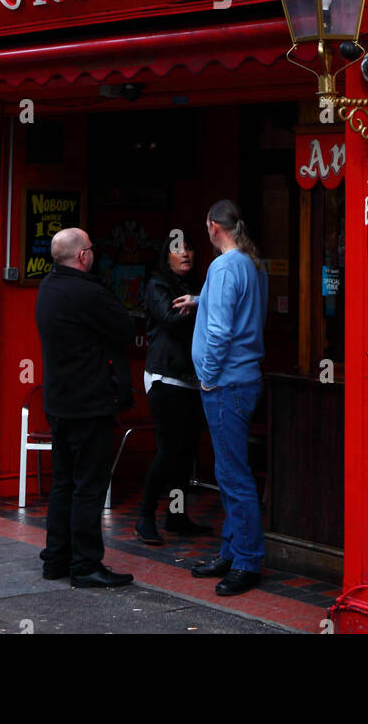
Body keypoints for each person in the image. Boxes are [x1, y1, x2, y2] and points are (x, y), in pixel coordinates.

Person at [35, 226, 135, 589]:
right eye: (91, 248)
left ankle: (55, 558)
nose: (93, 254)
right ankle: (86, 565)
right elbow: (124, 329)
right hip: (89, 404)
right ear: (82, 256)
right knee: (89, 487)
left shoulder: (47, 287)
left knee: (63, 484)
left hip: (58, 403)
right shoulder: (88, 292)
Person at [183, 199, 268, 597]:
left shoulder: (222, 267)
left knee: (233, 476)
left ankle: (246, 560)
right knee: (231, 472)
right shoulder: (252, 264)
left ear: (213, 226)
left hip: (226, 383)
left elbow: (219, 331)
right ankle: (231, 552)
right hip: (246, 378)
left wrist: (208, 379)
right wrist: (199, 301)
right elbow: (240, 311)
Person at [134, 230, 212, 546]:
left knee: (185, 452)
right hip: (165, 378)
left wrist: (198, 302)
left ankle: (176, 515)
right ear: (166, 255)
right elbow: (167, 316)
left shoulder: (194, 289)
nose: (185, 254)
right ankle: (145, 516)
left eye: (189, 248)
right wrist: (200, 306)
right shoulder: (157, 285)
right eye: (178, 249)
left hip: (192, 379)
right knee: (168, 450)